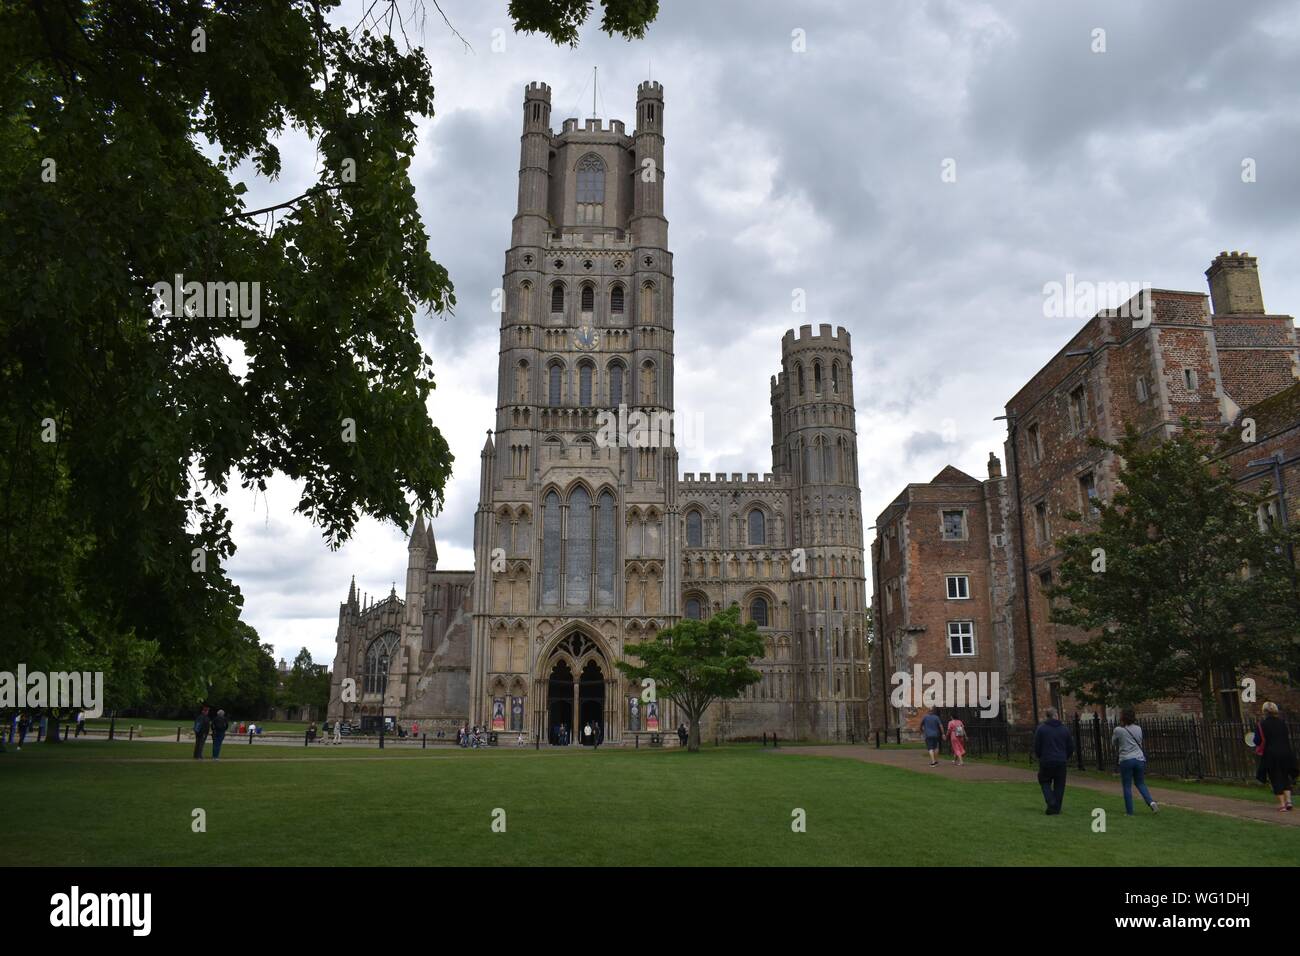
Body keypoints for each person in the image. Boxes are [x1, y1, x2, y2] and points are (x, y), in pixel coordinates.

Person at [1111, 709, 1158, 815]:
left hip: (1126, 759)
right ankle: (1151, 802)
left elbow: (1113, 742)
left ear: (1123, 718)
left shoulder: (1118, 730)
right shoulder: (1138, 728)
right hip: (1139, 759)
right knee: (1140, 783)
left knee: (1127, 786)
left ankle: (1129, 812)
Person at [1254, 701, 1296, 811]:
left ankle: (1282, 804)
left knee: (1275, 777)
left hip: (1271, 754)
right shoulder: (1282, 723)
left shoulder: (1261, 725)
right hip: (1286, 753)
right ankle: (1289, 801)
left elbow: (1257, 741)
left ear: (1264, 711)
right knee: (1285, 776)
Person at [1033, 707, 1074, 815]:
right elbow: (1070, 747)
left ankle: (1051, 802)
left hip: (1046, 760)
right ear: (1056, 716)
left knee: (1044, 781)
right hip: (1061, 760)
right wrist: (1065, 756)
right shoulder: (1064, 729)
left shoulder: (1041, 729)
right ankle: (1056, 807)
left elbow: (1037, 746)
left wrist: (1040, 756)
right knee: (1059, 785)